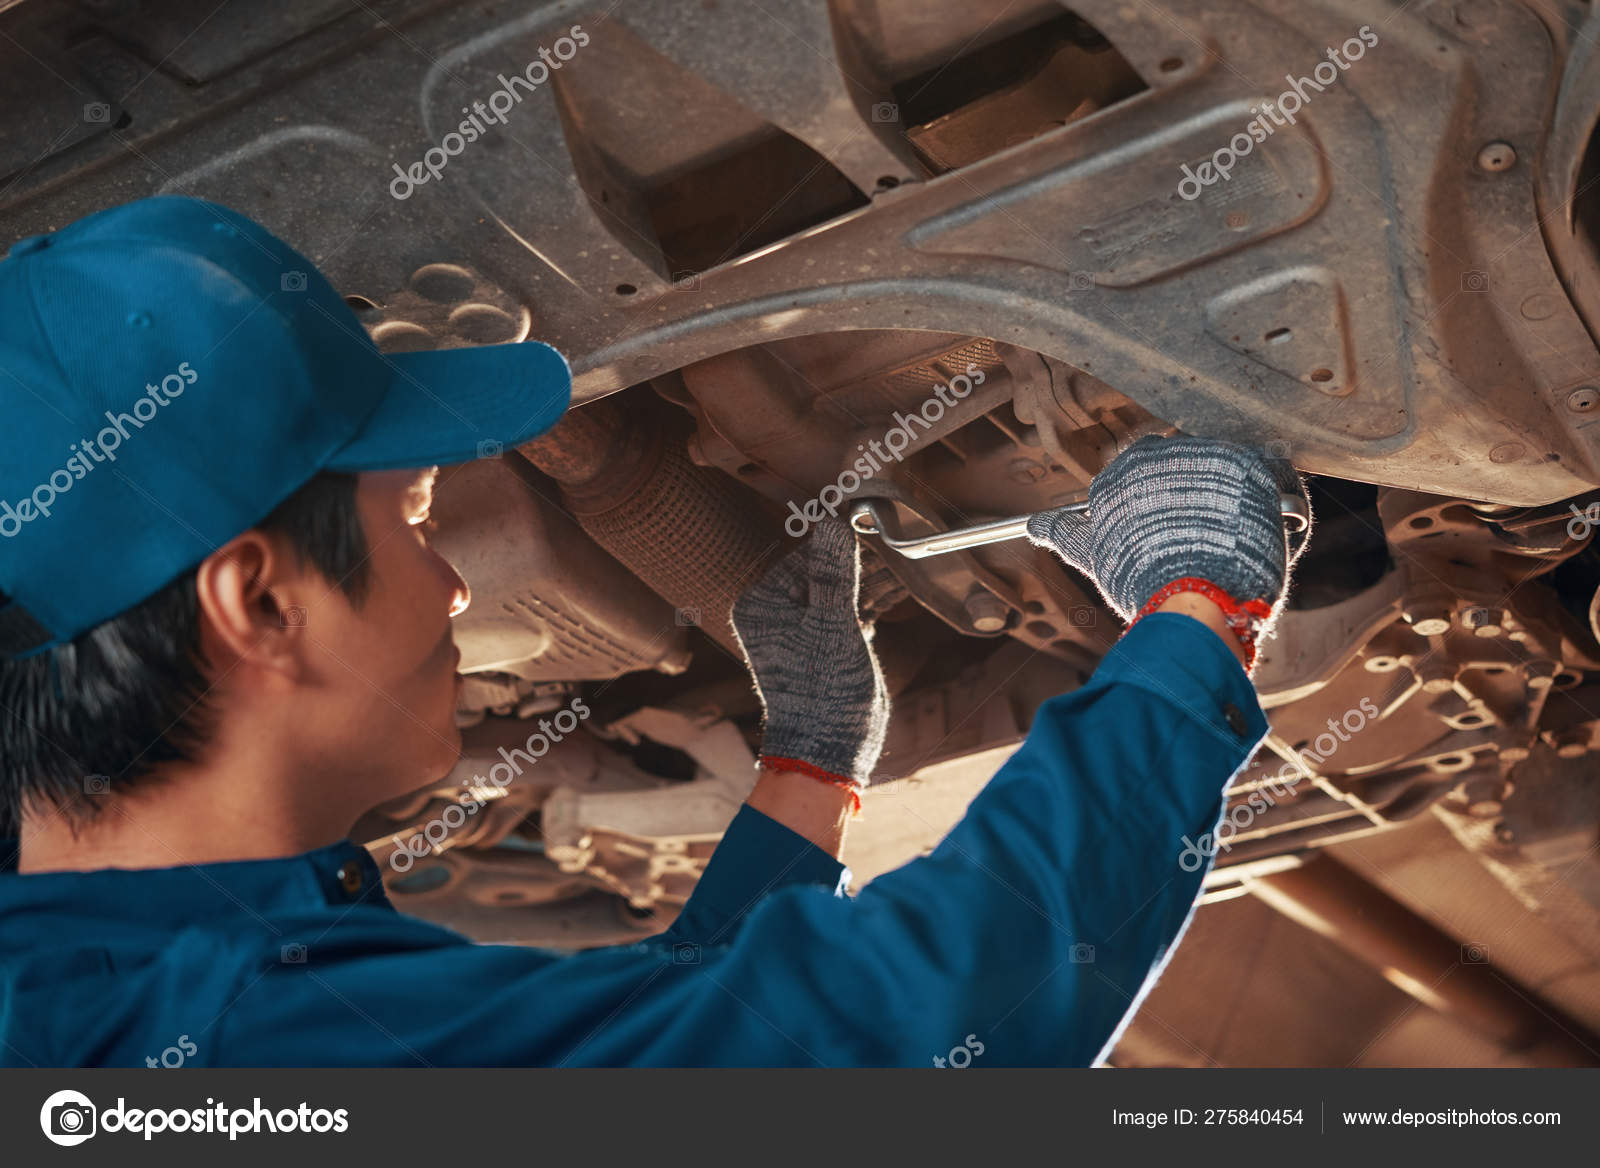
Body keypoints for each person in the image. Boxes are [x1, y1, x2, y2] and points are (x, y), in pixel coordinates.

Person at [0, 196, 1306, 1067]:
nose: (454, 588)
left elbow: (644, 1051)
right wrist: (1196, 613)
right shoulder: (231, 1037)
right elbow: (900, 1046)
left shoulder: (106, 1005)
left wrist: (811, 753)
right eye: (414, 516)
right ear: (261, 603)